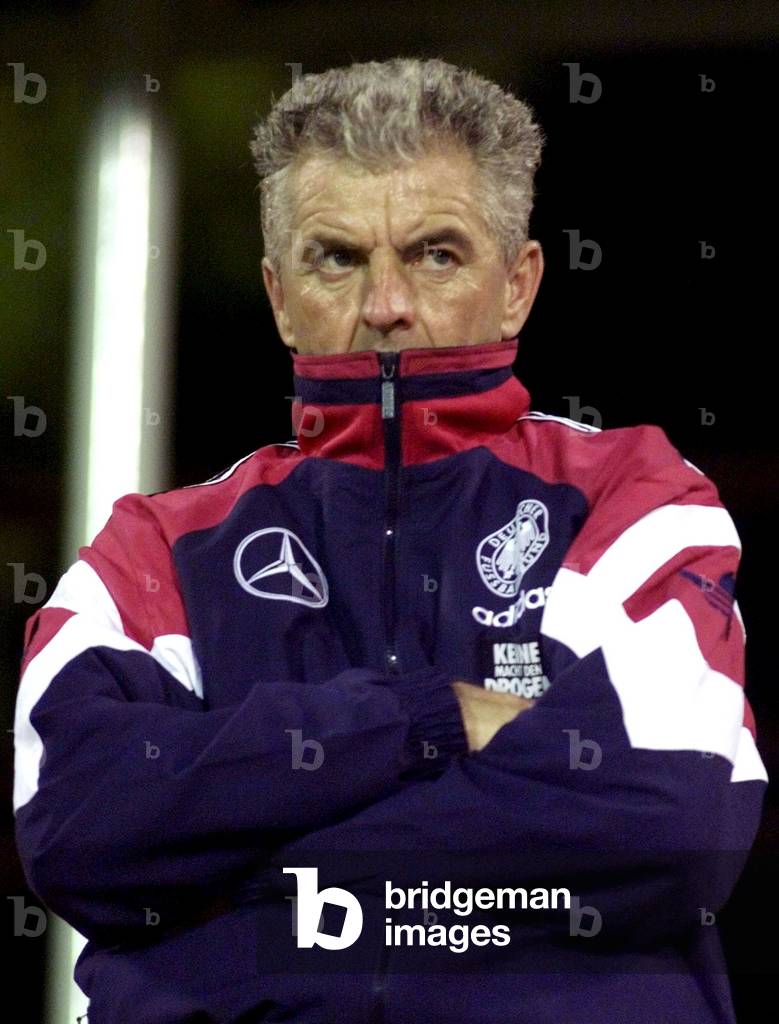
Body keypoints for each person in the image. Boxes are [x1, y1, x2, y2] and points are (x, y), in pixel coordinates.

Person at [12, 56, 766, 1024]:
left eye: (434, 253)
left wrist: (254, 874)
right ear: (280, 294)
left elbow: (671, 825)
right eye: (338, 257)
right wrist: (429, 717)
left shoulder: (635, 495)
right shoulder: (151, 550)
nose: (385, 307)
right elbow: (80, 833)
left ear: (518, 284)